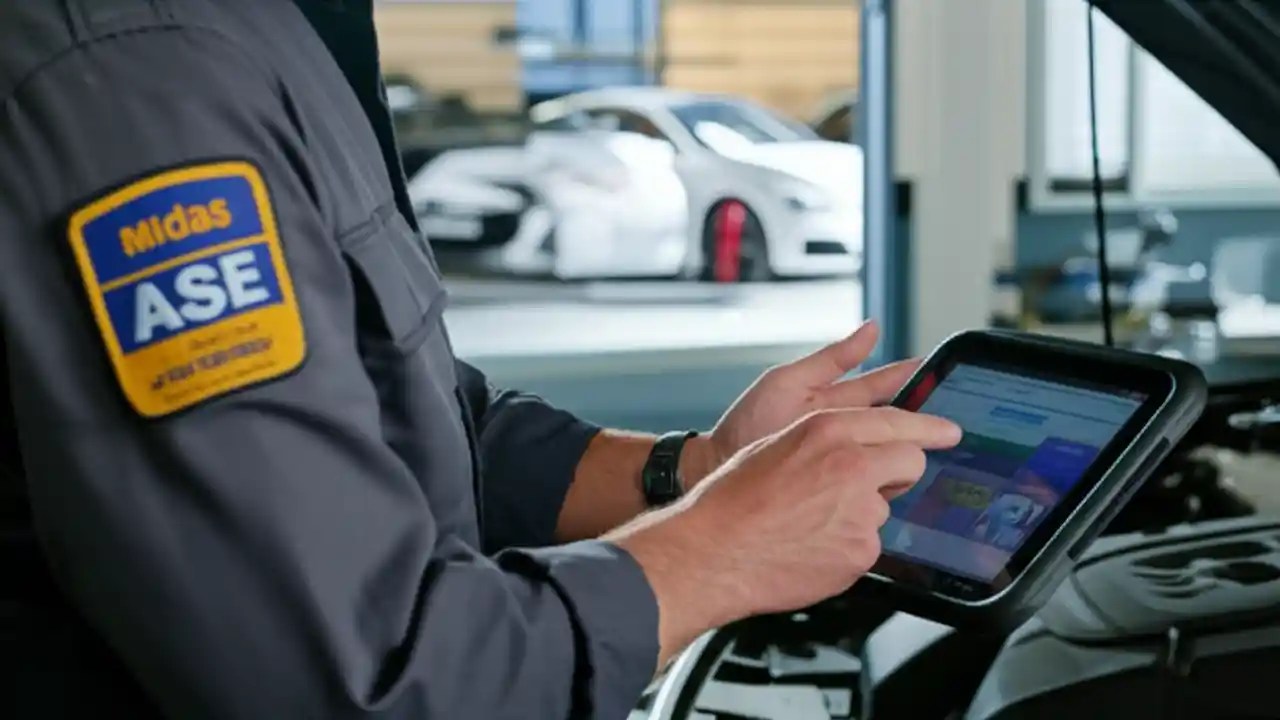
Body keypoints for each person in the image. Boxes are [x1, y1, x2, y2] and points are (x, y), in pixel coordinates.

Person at [0, 0, 962, 717]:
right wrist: (720, 549)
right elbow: (351, 684)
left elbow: (414, 421)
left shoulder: (279, 27)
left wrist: (703, 472)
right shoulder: (152, 69)